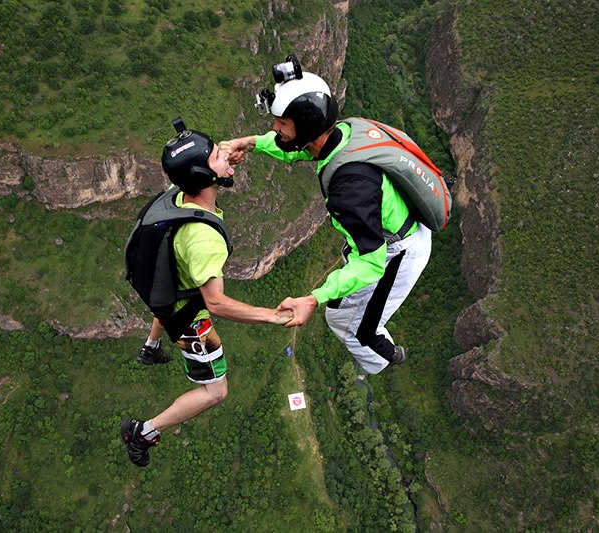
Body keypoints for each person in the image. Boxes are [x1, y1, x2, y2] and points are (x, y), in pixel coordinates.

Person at [221, 56, 434, 375]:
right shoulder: (341, 134)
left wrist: (313, 298)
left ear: (307, 126)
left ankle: (387, 359)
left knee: (358, 333)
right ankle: (369, 336)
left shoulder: (349, 188)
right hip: (385, 230)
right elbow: (291, 148)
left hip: (398, 250)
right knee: (337, 314)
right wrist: (249, 143)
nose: (275, 129)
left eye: (281, 123)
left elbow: (371, 264)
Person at [121, 122, 293, 467]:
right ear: (201, 174)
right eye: (217, 154)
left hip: (165, 281)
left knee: (178, 291)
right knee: (216, 392)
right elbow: (215, 303)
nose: (224, 154)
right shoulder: (203, 240)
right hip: (190, 320)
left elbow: (204, 168)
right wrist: (273, 316)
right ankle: (143, 432)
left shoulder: (178, 193)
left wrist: (230, 157)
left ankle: (151, 347)